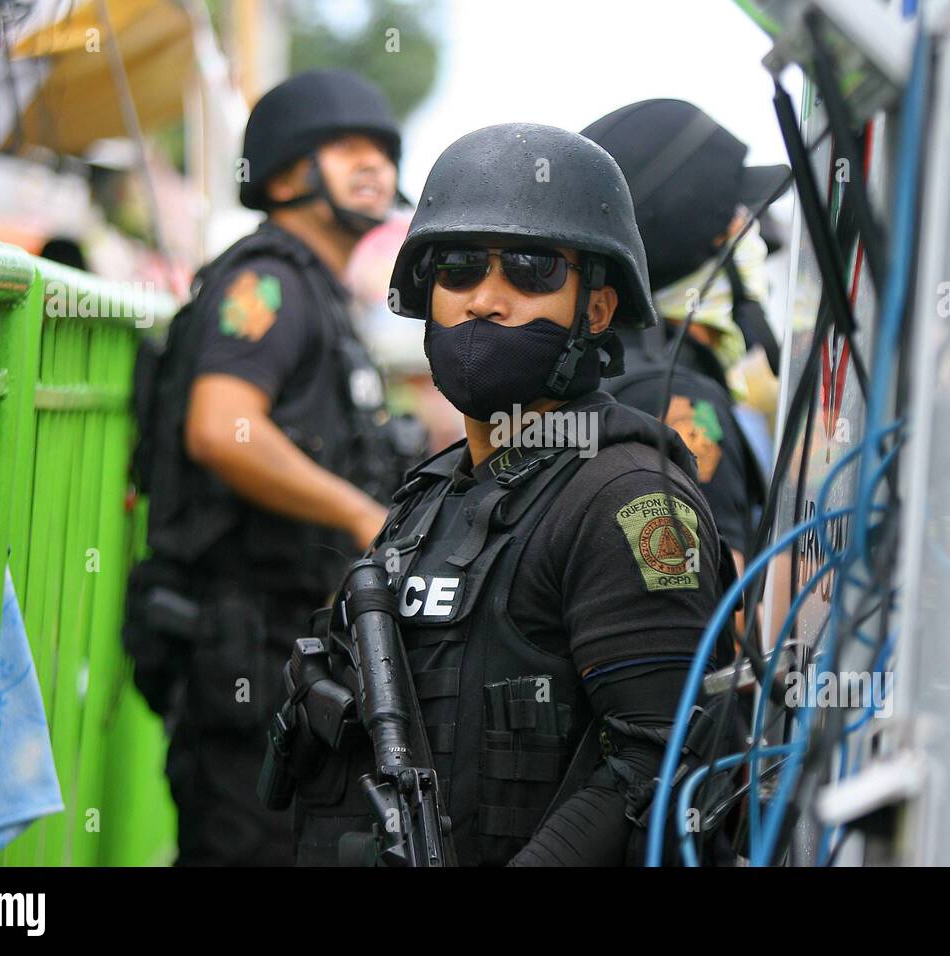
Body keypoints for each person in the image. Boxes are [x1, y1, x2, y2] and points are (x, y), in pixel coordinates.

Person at [273, 123, 733, 866]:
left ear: (597, 309)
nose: (485, 299)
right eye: (457, 267)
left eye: (531, 269)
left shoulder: (627, 499)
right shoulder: (431, 494)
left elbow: (662, 760)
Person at [123, 70, 413, 866]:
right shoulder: (271, 281)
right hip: (239, 654)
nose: (374, 166)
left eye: (383, 151)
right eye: (347, 147)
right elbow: (223, 429)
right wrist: (358, 515)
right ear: (286, 174)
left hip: (278, 656)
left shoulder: (322, 294)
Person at [582, 99, 789, 569]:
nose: (756, 239)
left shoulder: (602, 373)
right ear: (715, 246)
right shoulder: (679, 397)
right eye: (741, 221)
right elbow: (723, 618)